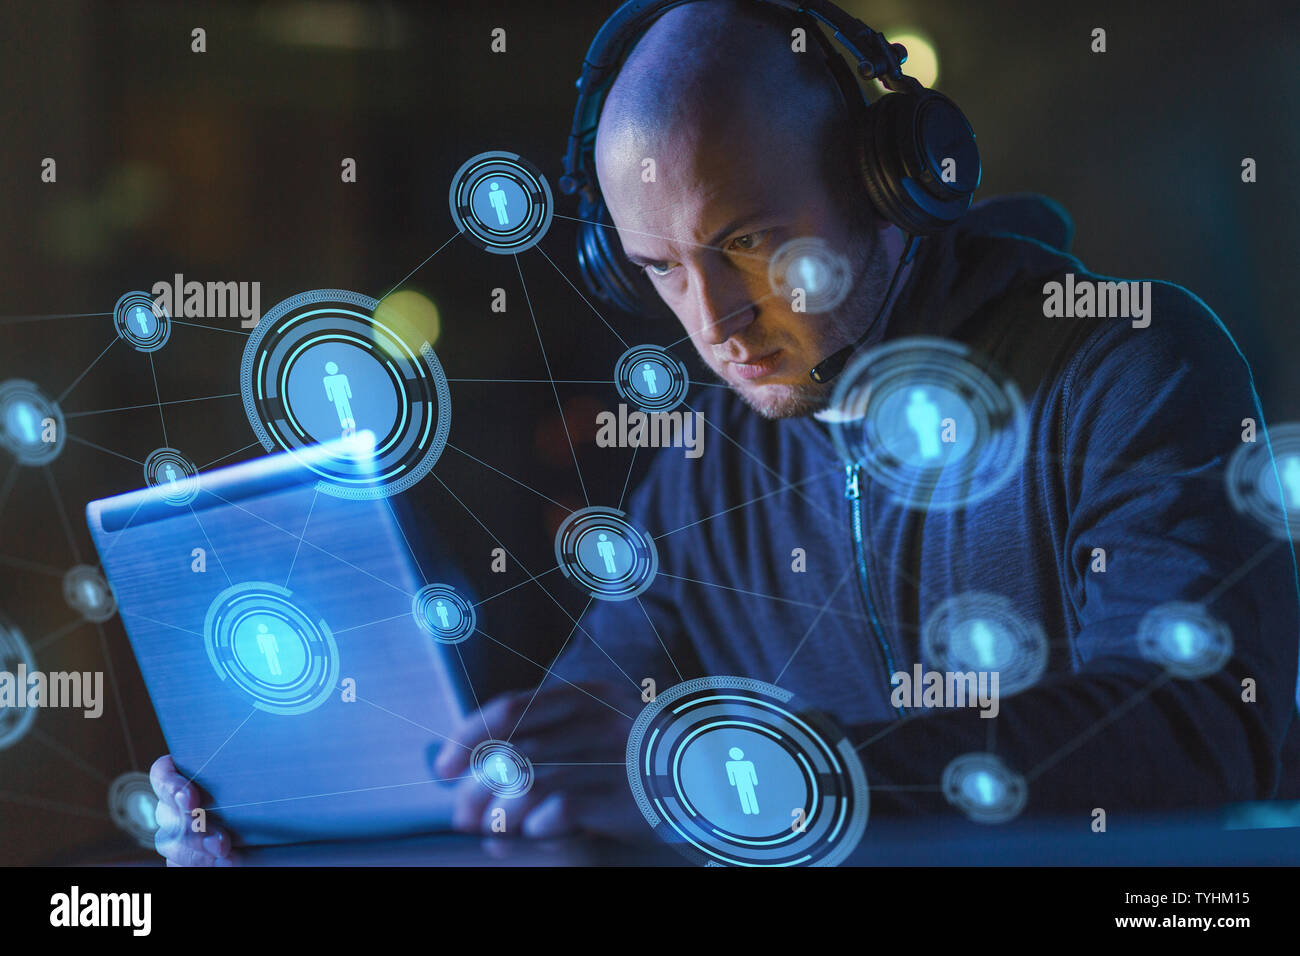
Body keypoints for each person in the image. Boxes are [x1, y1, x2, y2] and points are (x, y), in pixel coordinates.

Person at [151, 0, 1300, 863]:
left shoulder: (1129, 365)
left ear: (892, 180)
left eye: (746, 241)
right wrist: (318, 823)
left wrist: (758, 779)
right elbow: (588, 742)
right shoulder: (712, 459)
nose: (714, 322)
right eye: (659, 269)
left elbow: (1196, 730)